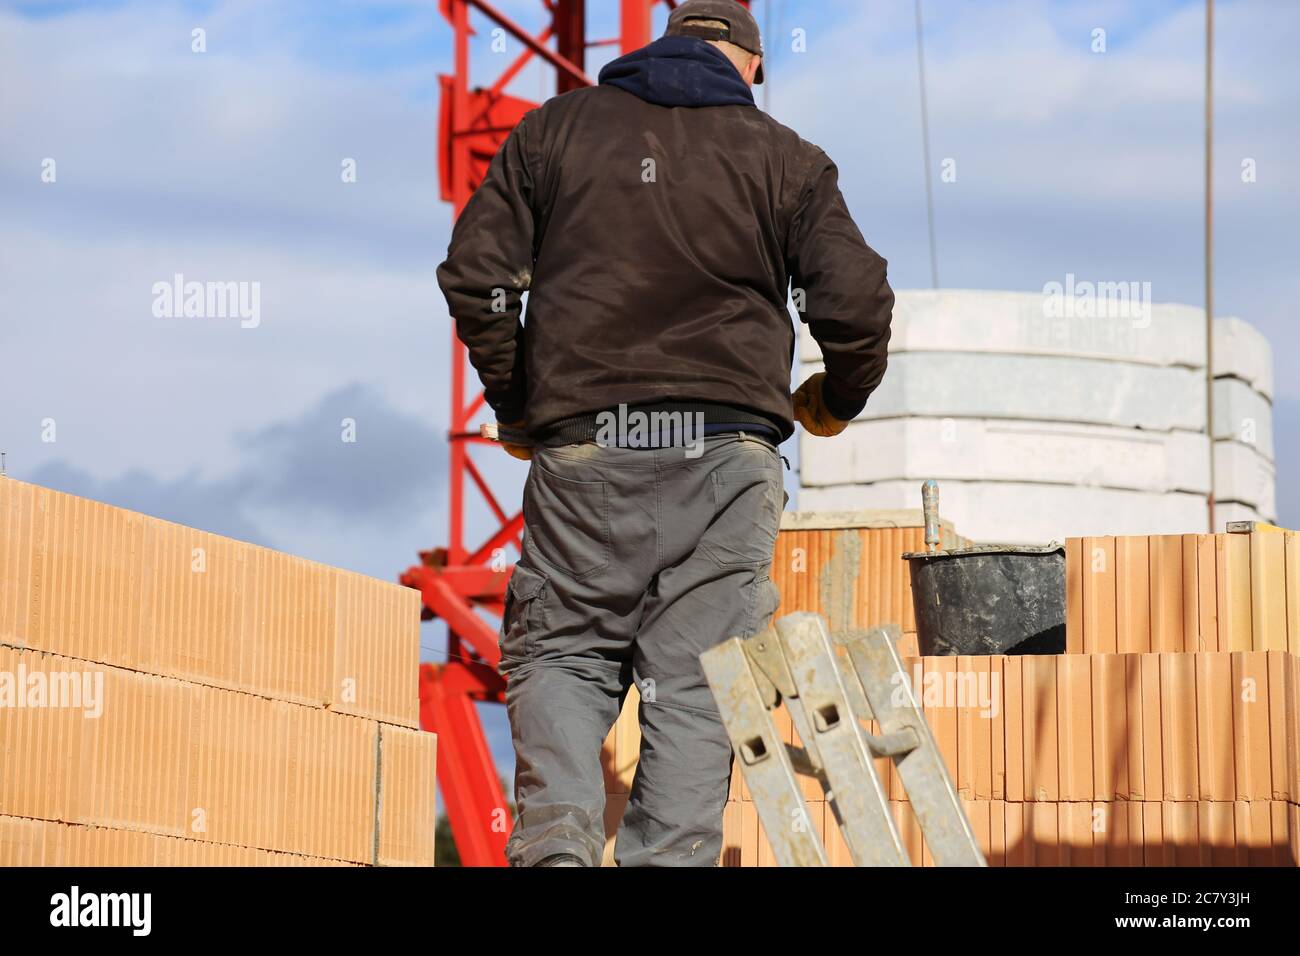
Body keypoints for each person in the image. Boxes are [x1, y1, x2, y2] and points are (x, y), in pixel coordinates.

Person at [437, 0, 893, 867]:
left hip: (585, 448)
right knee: (696, 677)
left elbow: (477, 279)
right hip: (726, 457)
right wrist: (837, 395)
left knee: (565, 652)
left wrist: (519, 400)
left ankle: (557, 853)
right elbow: (859, 303)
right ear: (750, 65)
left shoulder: (555, 131)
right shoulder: (786, 159)